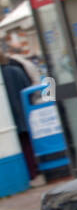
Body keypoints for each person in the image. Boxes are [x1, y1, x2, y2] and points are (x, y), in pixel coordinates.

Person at [1, 50, 40, 183]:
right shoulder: (15, 71)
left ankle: (24, 174)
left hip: (6, 119)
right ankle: (32, 170)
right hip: (22, 114)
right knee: (27, 143)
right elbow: (28, 90)